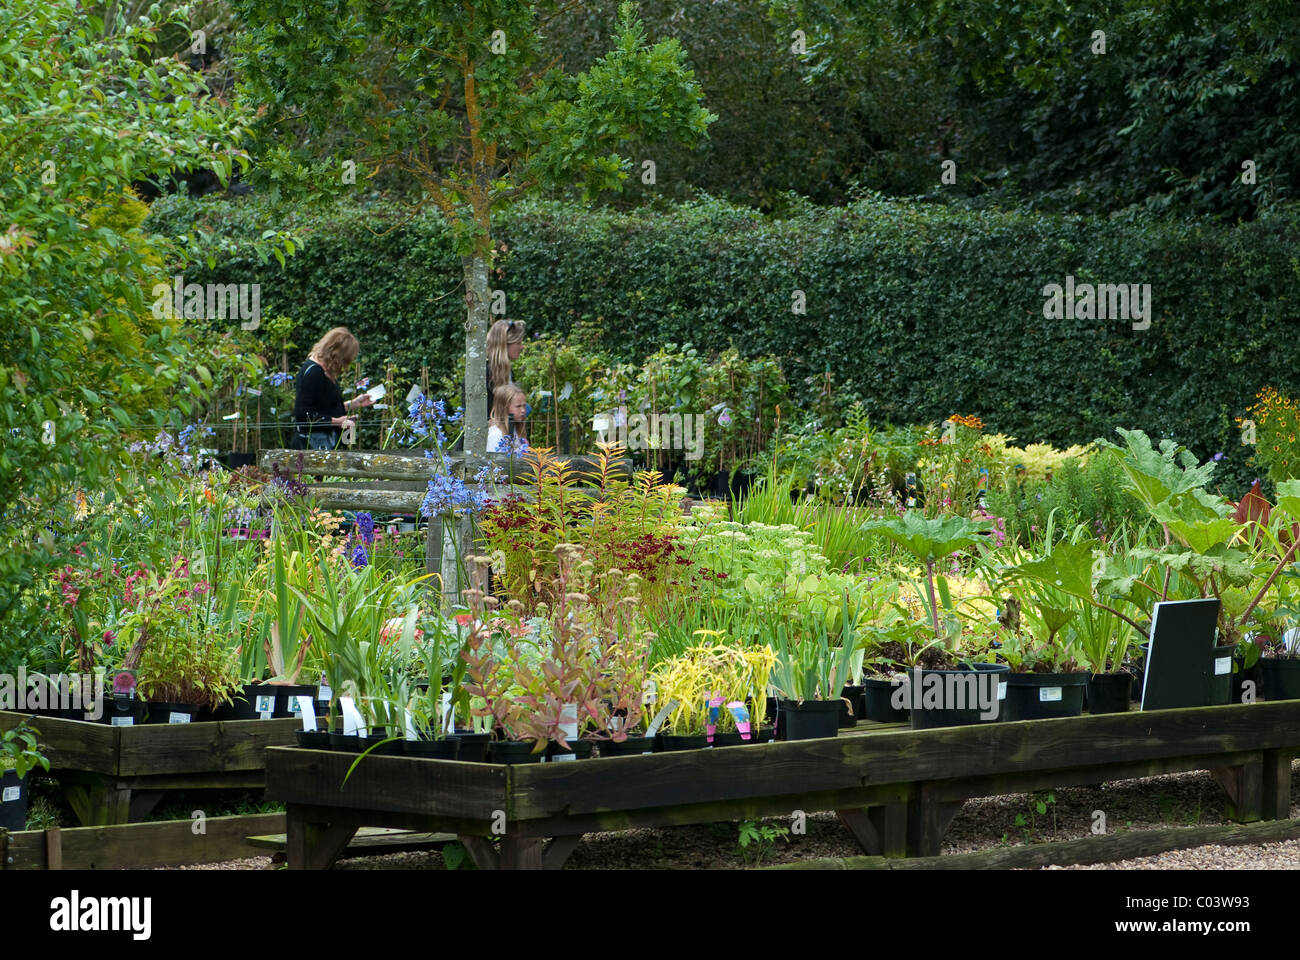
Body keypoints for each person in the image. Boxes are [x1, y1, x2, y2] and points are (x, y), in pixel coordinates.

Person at [291, 327, 372, 450]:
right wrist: (338, 421)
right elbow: (304, 415)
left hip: (329, 440)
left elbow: (324, 407)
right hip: (317, 444)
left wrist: (354, 403)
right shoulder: (314, 373)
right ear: (338, 355)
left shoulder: (324, 371)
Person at [485, 319, 525, 416]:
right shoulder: (485, 374)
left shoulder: (508, 371)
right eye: (518, 343)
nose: (522, 347)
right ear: (504, 345)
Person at [486, 383, 528, 454]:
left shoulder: (515, 429)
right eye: (518, 406)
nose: (523, 410)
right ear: (504, 408)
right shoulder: (496, 434)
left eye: (524, 406)